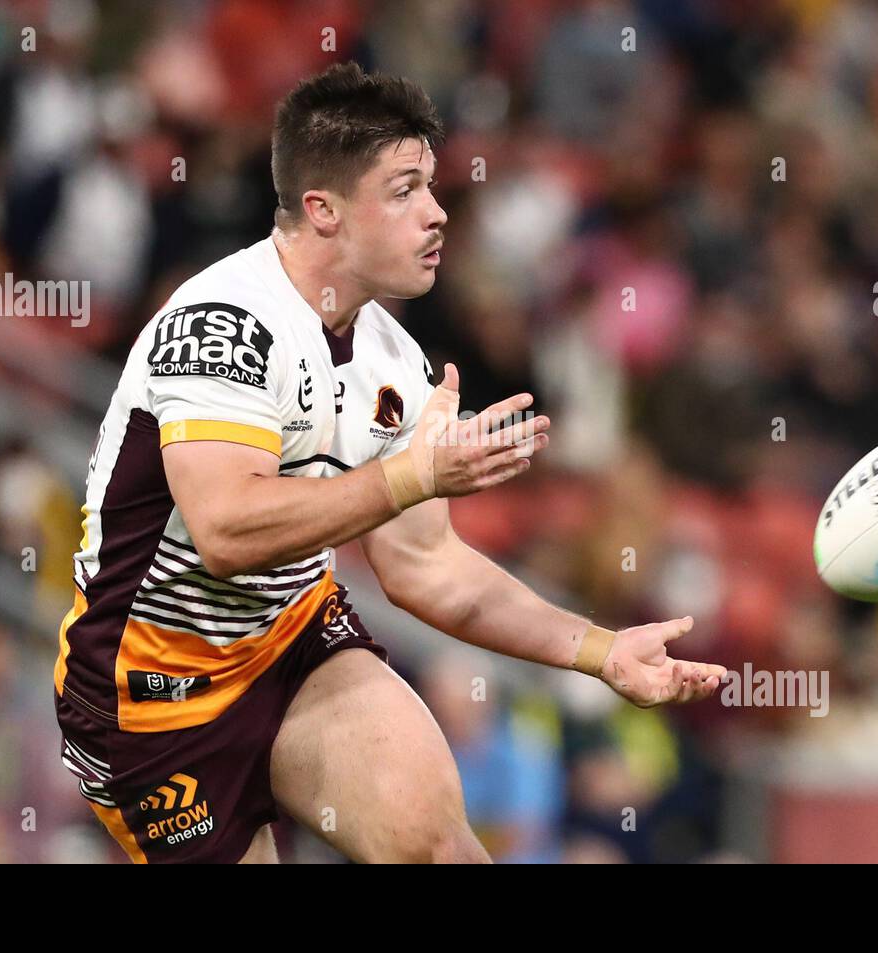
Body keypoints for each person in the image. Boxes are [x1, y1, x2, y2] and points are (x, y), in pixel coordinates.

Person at [53, 61, 726, 865]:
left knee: (443, 849)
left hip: (290, 645)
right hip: (150, 697)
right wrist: (410, 475)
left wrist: (598, 650)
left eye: (433, 188)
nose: (438, 213)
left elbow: (427, 567)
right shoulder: (224, 323)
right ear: (324, 210)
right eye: (406, 190)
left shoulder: (393, 359)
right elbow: (226, 527)